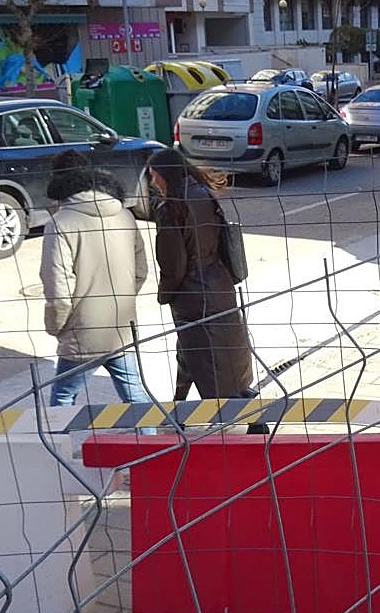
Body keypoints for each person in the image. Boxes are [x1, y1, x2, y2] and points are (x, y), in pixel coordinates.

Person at [147, 148, 266, 433]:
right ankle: (179, 409)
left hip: (192, 295)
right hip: (219, 285)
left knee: (209, 360)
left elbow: (173, 264)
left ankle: (248, 417)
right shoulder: (202, 193)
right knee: (215, 353)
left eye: (153, 175)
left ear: (164, 175)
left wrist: (165, 293)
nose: (151, 182)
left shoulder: (172, 208)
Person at [40, 149, 150, 407]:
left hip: (82, 328)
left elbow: (58, 286)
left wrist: (57, 326)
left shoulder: (60, 223)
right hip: (121, 325)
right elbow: (141, 270)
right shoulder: (125, 215)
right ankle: (151, 442)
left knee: (63, 397)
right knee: (136, 398)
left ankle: (60, 447)